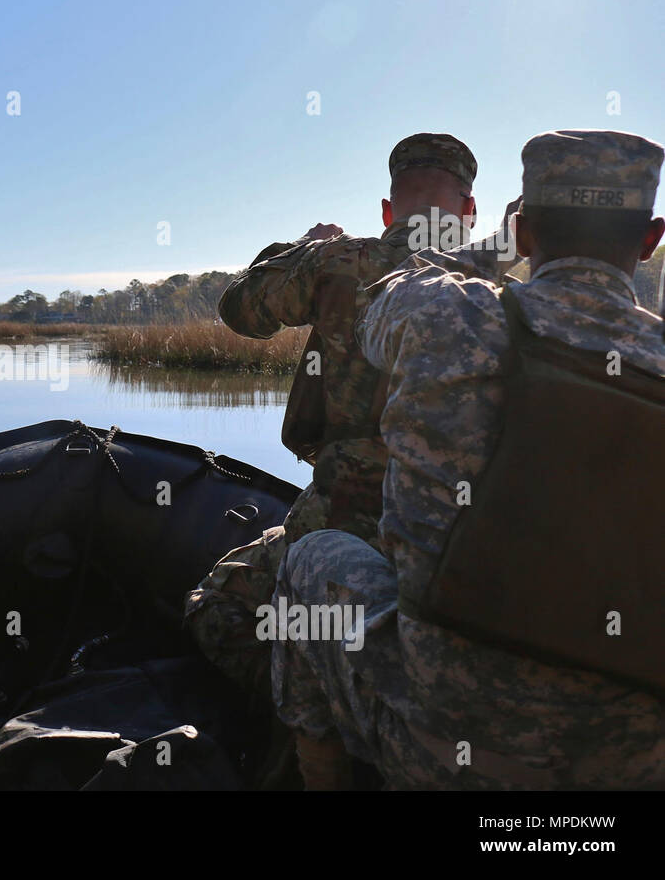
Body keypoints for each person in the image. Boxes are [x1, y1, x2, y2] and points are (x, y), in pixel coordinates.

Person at [275, 129, 665, 789]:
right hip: (631, 767)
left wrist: (491, 253)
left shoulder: (441, 310)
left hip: (442, 753)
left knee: (309, 559)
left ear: (525, 230)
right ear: (652, 238)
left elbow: (383, 301)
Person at [186, 134, 493, 701]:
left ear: (386, 211)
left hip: (345, 513)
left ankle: (302, 710)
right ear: (469, 211)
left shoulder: (338, 261)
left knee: (216, 605)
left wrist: (300, 248)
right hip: (461, 535)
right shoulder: (504, 291)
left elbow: (240, 312)